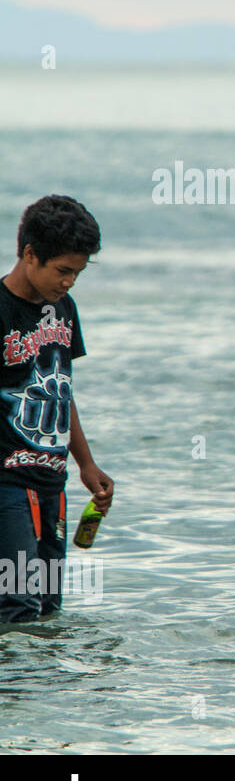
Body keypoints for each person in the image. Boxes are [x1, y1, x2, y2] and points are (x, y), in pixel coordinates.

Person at [0, 195, 114, 623]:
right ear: (30, 254)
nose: (69, 282)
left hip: (53, 481)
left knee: (49, 608)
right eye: (63, 271)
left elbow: (63, 392)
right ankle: (16, 690)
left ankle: (46, 691)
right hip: (6, 484)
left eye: (78, 273)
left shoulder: (64, 311)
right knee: (18, 605)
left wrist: (86, 464)